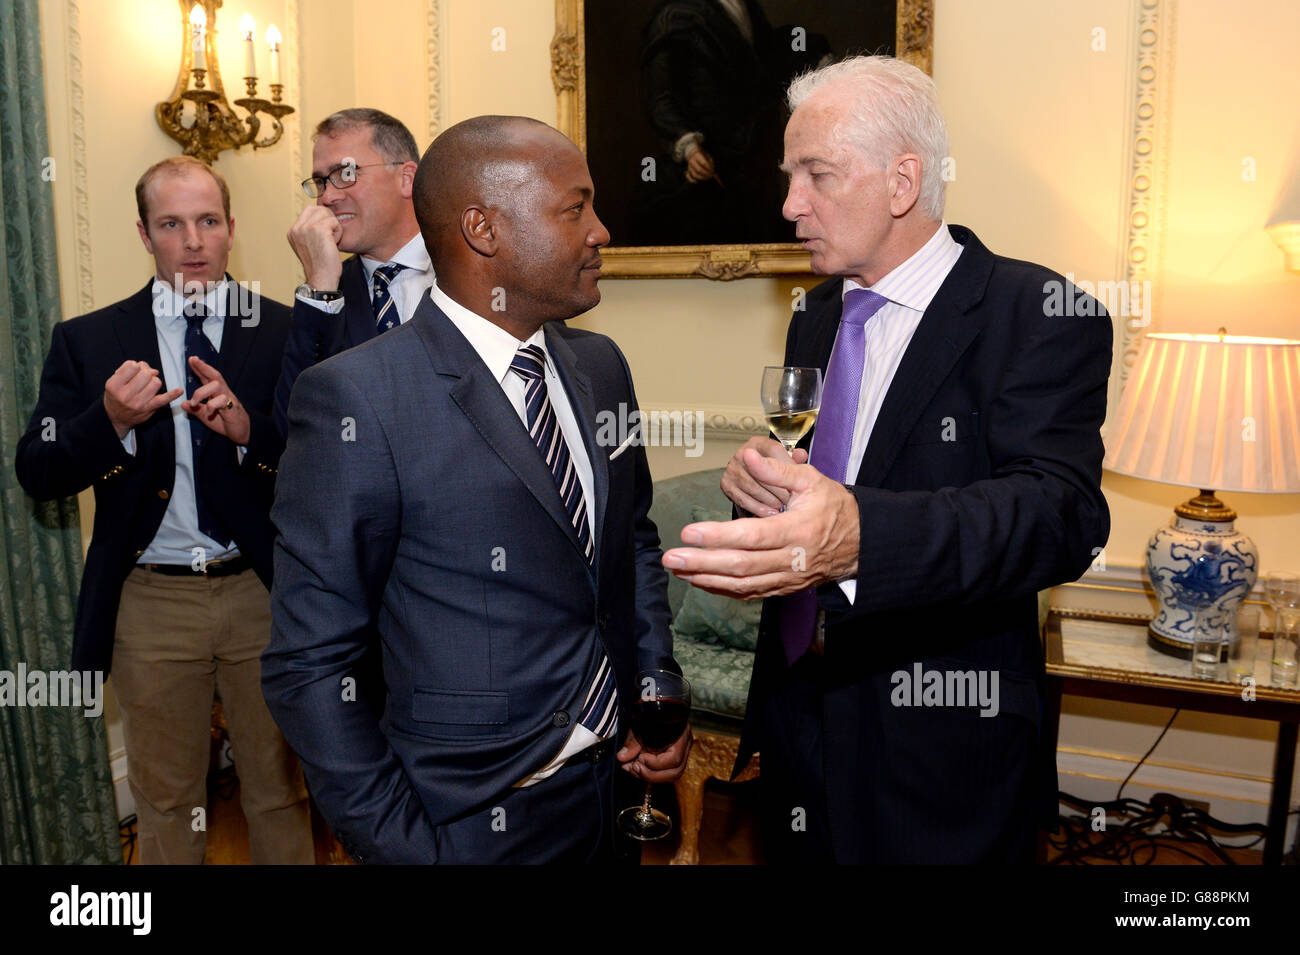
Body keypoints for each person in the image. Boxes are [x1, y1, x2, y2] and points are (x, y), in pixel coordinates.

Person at [661, 56, 1112, 863]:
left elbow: (1058, 515)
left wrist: (862, 534)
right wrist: (759, 490)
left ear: (902, 182)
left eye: (816, 175)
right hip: (800, 713)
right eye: (788, 174)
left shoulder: (1038, 311)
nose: (790, 202)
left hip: (940, 742)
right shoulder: (818, 313)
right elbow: (820, 490)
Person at [262, 115, 689, 864]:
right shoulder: (357, 398)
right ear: (483, 229)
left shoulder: (601, 366)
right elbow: (309, 664)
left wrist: (654, 686)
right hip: (467, 824)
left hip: (608, 795)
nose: (602, 231)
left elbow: (632, 543)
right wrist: (400, 845)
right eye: (574, 208)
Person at [15, 156, 314, 865]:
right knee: (169, 803)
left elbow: (330, 463)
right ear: (145, 236)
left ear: (232, 228)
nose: (193, 241)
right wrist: (108, 419)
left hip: (263, 593)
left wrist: (251, 436)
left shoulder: (282, 329)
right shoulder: (88, 341)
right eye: (172, 224)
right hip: (150, 603)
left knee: (280, 792)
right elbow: (39, 469)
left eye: (208, 221)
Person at [276, 108, 433, 437]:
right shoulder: (327, 296)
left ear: (407, 179)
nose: (328, 197)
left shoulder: (477, 272)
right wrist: (320, 288)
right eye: (320, 181)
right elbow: (296, 428)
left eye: (346, 173)